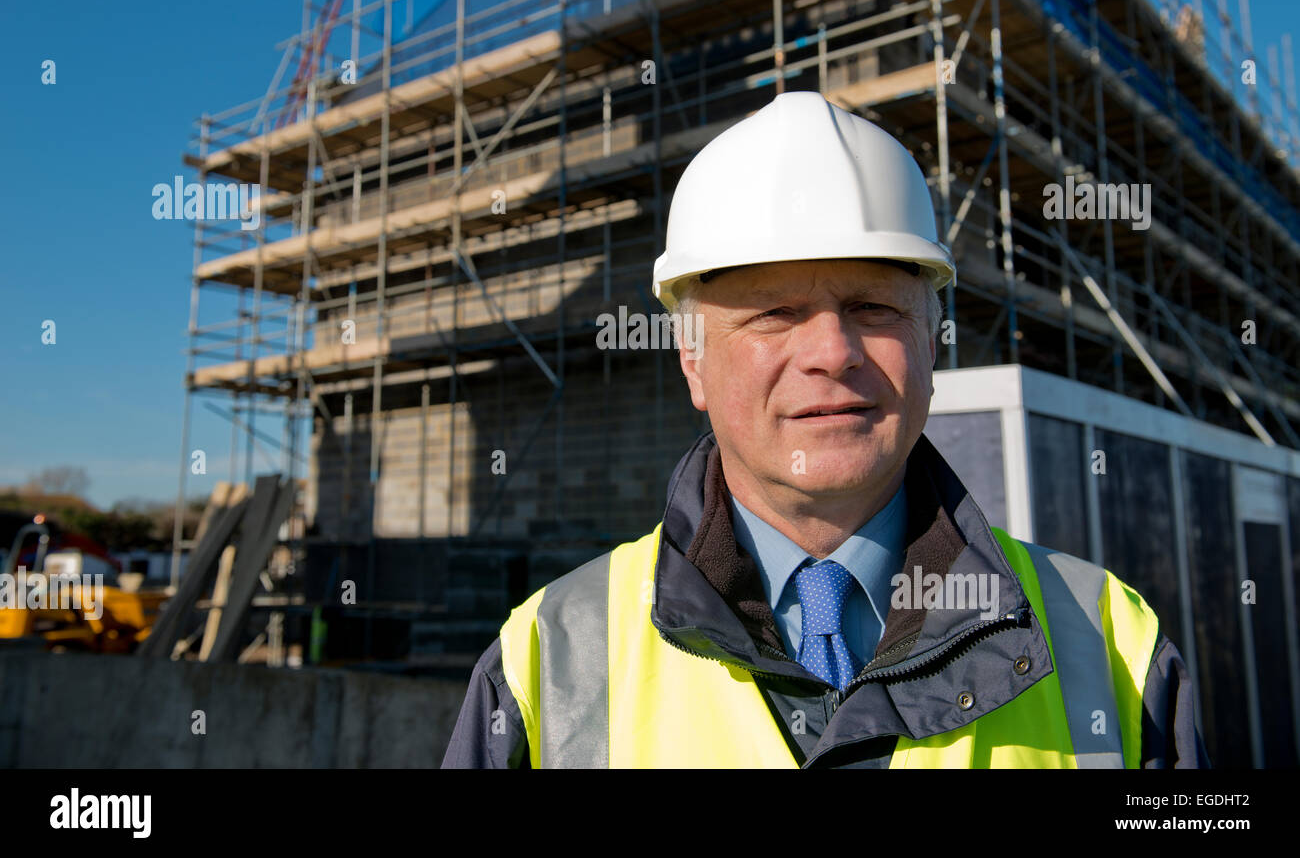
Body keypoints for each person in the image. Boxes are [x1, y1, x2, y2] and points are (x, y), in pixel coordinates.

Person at [441, 91, 1209, 768]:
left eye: (874, 308)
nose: (832, 353)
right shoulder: (546, 663)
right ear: (693, 359)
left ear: (931, 339)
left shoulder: (1111, 646)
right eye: (773, 313)